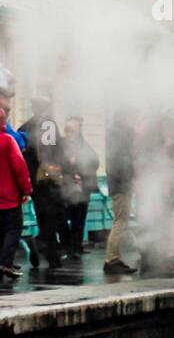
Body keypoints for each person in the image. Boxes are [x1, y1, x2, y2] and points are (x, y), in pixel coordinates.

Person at [19, 96, 65, 270]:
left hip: (34, 182)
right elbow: (57, 152)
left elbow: (23, 156)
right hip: (50, 181)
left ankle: (46, 250)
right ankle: (46, 250)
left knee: (44, 217)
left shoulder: (24, 128)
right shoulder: (49, 125)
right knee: (53, 218)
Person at [0, 98, 33, 279]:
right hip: (9, 196)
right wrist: (26, 190)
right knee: (13, 229)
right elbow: (20, 167)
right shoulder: (8, 141)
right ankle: (5, 263)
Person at [60, 116, 100, 259]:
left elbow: (95, 161)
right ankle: (71, 246)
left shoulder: (82, 144)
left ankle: (75, 246)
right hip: (70, 187)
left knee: (79, 218)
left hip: (82, 187)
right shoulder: (64, 145)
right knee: (72, 218)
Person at [104, 109, 138, 275]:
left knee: (120, 221)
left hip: (118, 184)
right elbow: (123, 162)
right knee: (120, 222)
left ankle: (114, 258)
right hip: (121, 185)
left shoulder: (114, 133)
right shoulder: (119, 135)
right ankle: (111, 260)